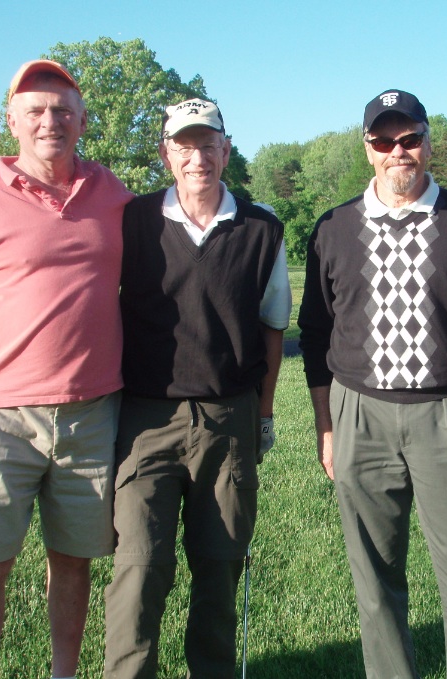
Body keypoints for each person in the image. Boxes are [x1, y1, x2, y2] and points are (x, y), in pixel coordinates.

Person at [298, 89, 447, 679]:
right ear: (367, 148)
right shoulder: (333, 228)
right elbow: (315, 333)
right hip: (359, 413)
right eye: (383, 140)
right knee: (374, 577)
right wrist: (327, 427)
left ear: (428, 142)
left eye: (410, 139)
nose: (398, 151)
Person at [0, 59, 132, 679]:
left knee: (72, 560)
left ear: (83, 121)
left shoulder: (112, 194)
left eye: (63, 110)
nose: (50, 122)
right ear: (11, 121)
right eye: (35, 110)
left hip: (93, 415)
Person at [103, 98, 291, 678]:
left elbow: (272, 329)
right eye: (184, 146)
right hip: (145, 420)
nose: (197, 157)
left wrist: (261, 416)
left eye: (208, 144)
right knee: (139, 566)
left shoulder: (262, 230)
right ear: (167, 154)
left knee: (219, 566)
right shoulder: (132, 222)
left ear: (226, 150)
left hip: (229, 419)